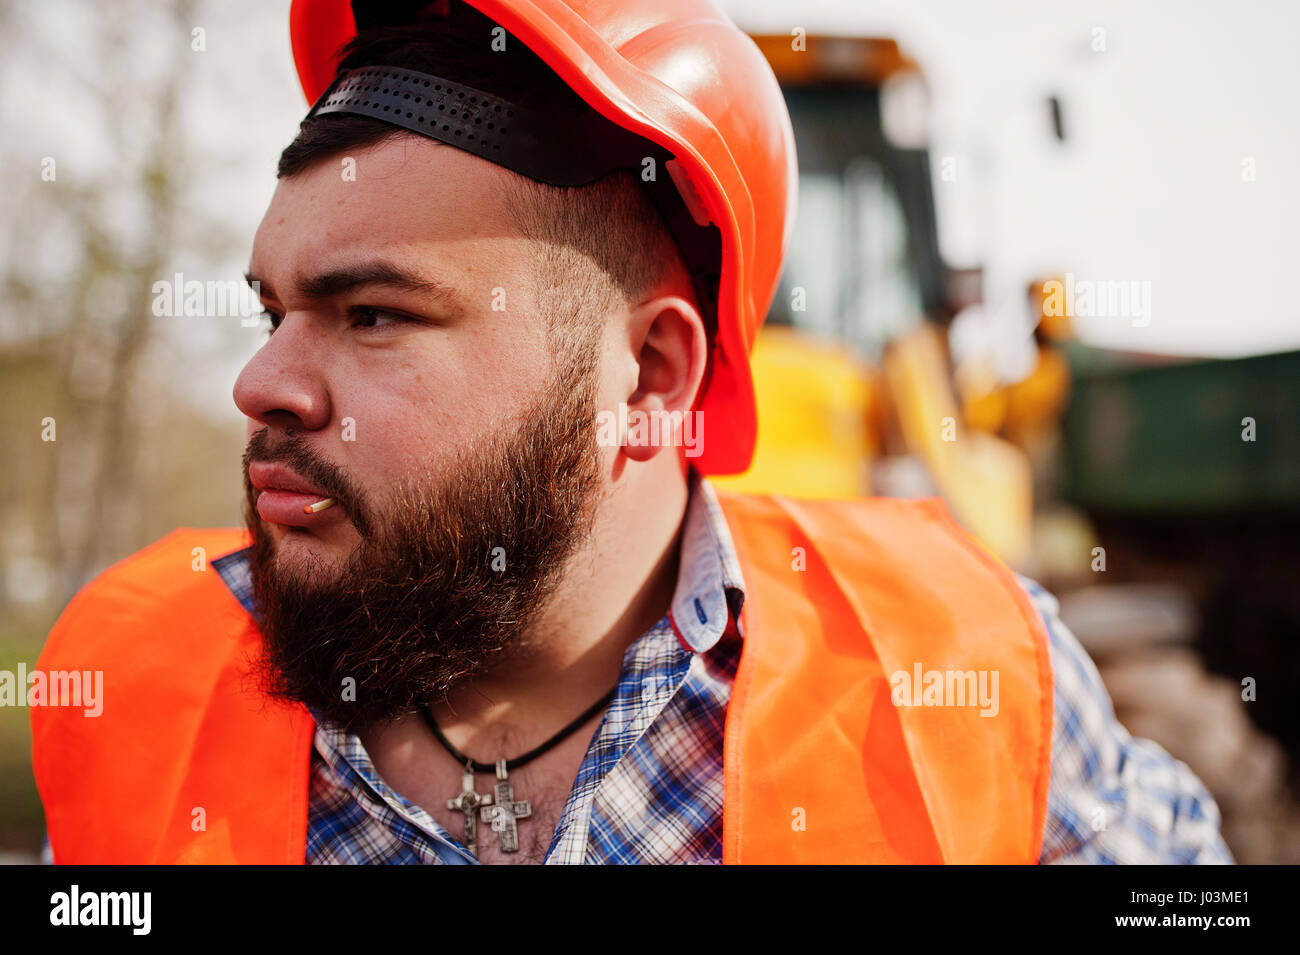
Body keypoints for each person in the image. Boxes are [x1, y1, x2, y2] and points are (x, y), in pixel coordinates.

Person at [31, 0, 1232, 865]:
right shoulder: (135, 677)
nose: (262, 382)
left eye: (374, 313)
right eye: (275, 311)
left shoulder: (967, 677)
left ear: (650, 374)